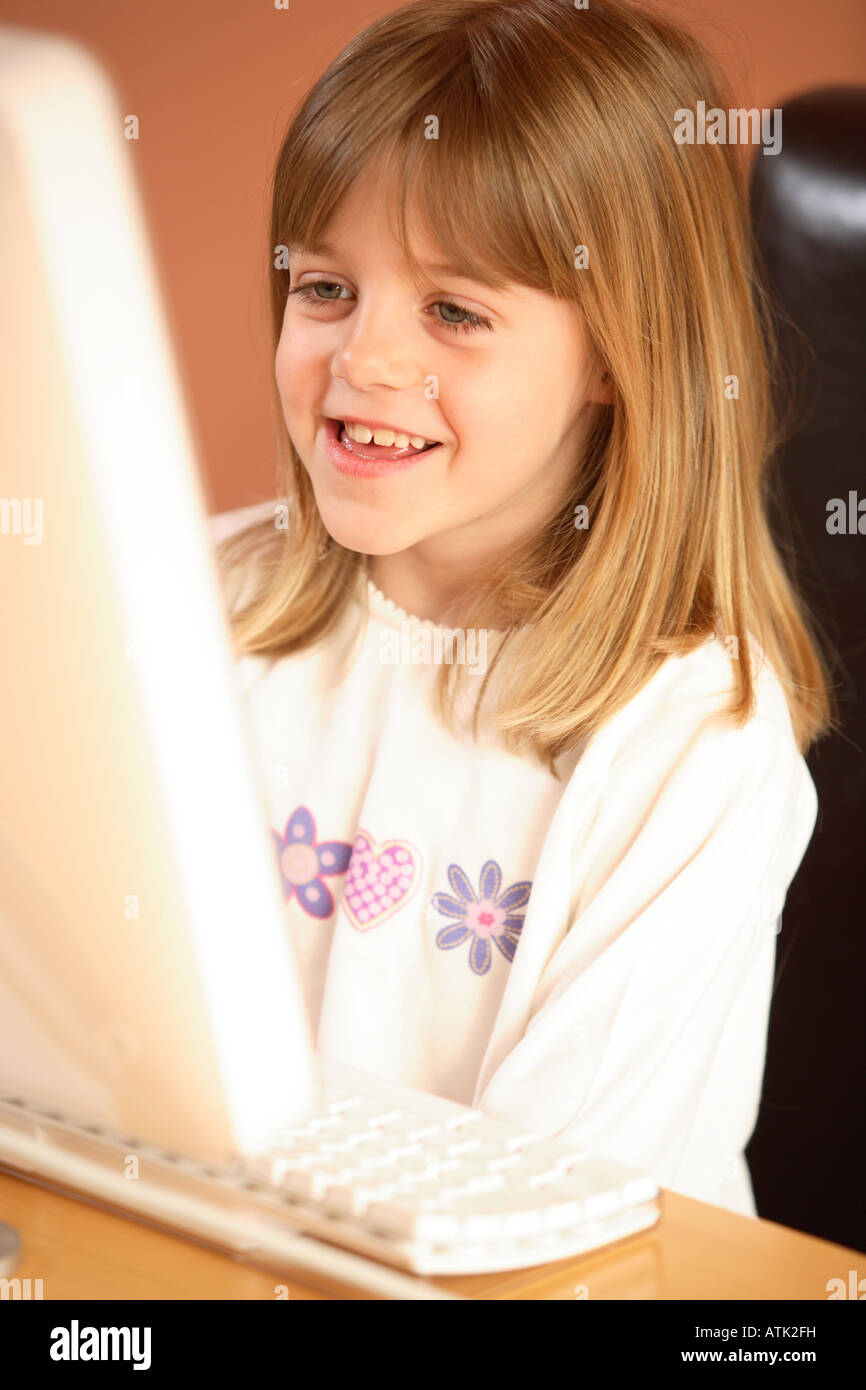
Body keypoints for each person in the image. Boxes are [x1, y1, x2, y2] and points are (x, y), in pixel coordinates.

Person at [209, 0, 837, 1218]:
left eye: (454, 311)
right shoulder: (190, 609)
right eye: (326, 286)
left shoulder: (690, 736)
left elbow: (544, 1213)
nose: (364, 359)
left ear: (618, 351)